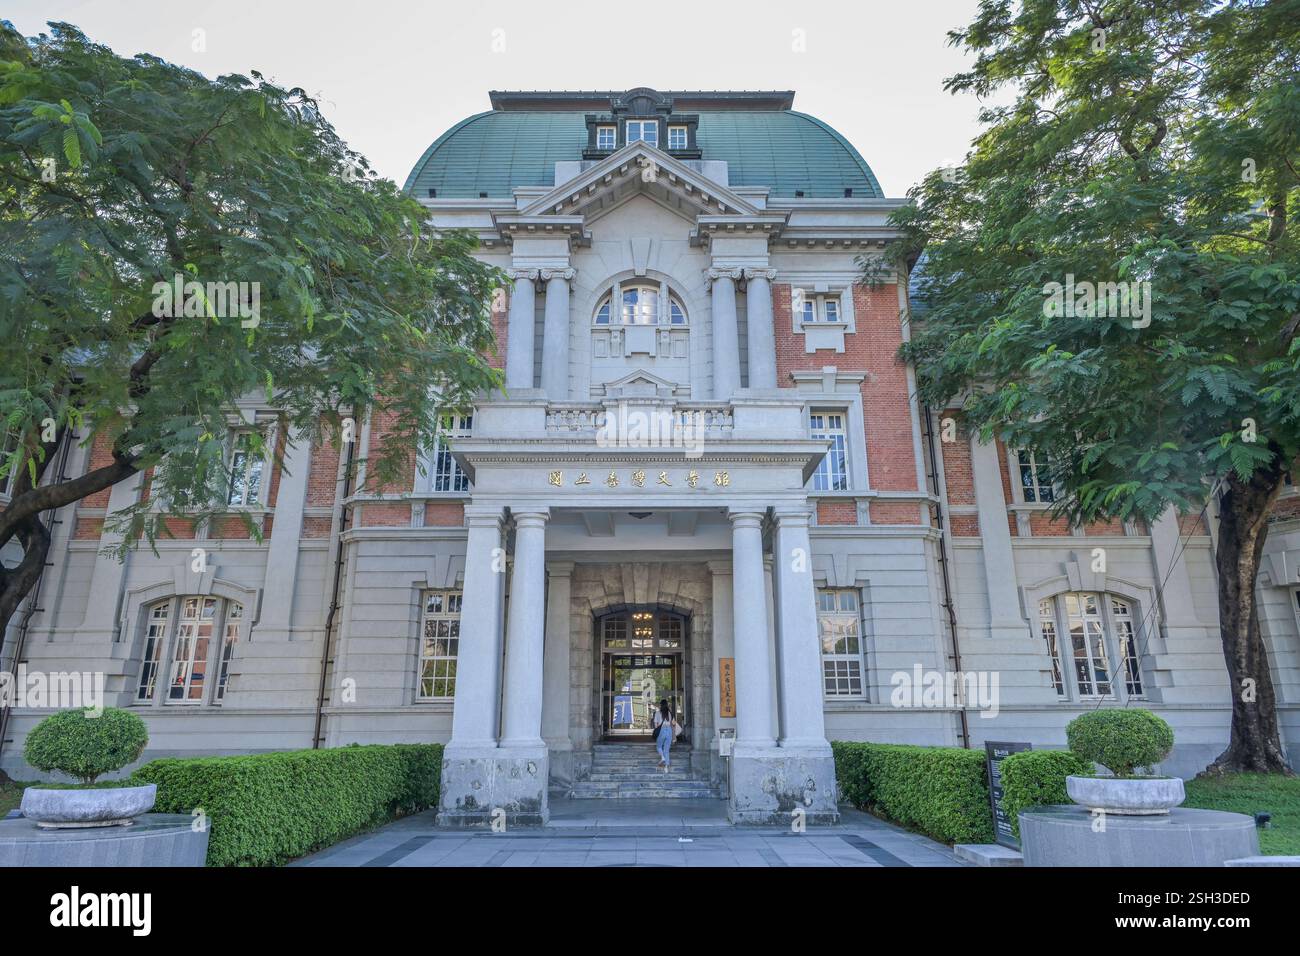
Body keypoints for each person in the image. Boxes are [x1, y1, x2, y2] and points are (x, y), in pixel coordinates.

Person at [653, 698, 674, 770]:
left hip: (662, 730)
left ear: (661, 705)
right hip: (669, 730)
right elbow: (672, 724)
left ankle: (663, 758)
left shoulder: (658, 713)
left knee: (659, 746)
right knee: (666, 749)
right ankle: (666, 766)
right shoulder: (670, 713)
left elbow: (656, 725)